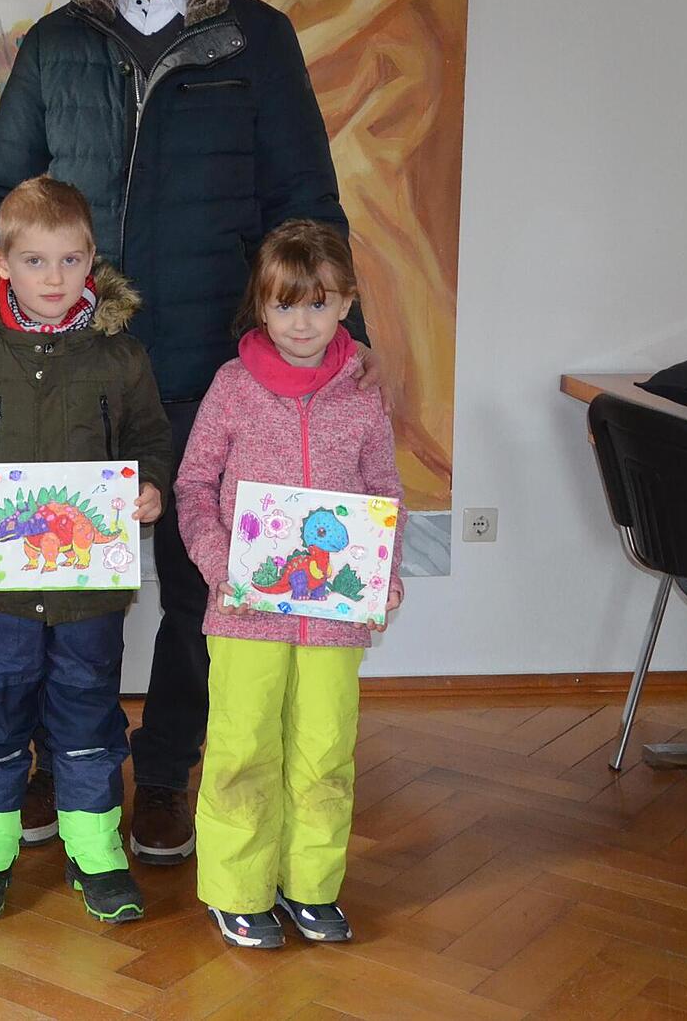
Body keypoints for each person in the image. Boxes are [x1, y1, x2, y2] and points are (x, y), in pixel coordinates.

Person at [0, 0, 370, 864]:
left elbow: (302, 196)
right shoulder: (54, 43)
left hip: (205, 363)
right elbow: (0, 187)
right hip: (63, 363)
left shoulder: (255, 39)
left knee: (198, 584)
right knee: (52, 573)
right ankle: (58, 758)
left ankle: (169, 771)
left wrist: (336, 348)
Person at [0, 177, 173, 924]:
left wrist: (150, 486)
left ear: (92, 260)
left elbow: (152, 440)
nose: (52, 278)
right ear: (2, 264)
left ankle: (97, 853)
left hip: (89, 594)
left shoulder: (121, 357)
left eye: (68, 260)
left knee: (90, 715)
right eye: (34, 261)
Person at [171, 220, 403, 948]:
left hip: (334, 621)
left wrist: (384, 574)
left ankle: (310, 884)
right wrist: (221, 564)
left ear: (345, 305)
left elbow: (383, 491)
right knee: (242, 747)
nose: (300, 322)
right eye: (283, 305)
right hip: (244, 614)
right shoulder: (233, 388)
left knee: (325, 750)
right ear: (260, 308)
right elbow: (193, 486)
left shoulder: (362, 394)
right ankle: (237, 888)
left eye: (318, 304)